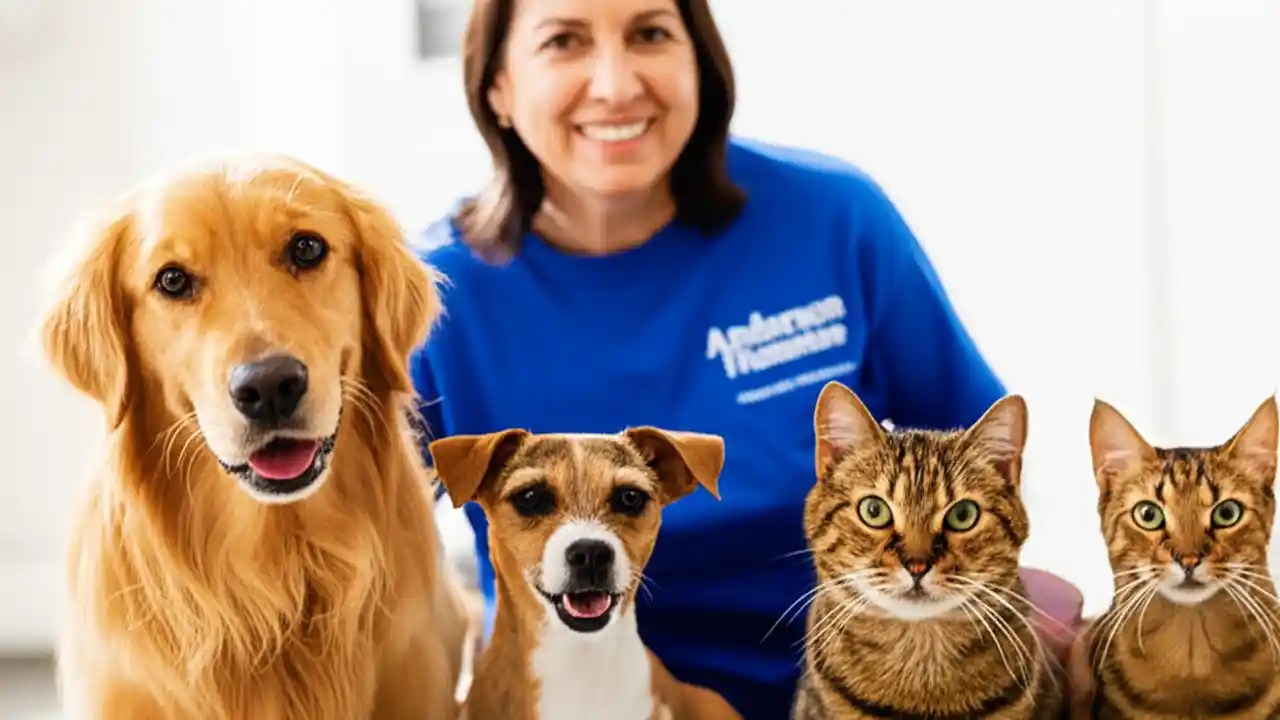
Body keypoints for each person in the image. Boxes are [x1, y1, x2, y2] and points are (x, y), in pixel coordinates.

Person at [409, 0, 1083, 716]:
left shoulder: (834, 222)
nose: (614, 82)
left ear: (701, 60)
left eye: (650, 33)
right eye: (564, 42)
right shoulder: (429, 297)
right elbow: (361, 549)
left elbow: (985, 472)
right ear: (498, 87)